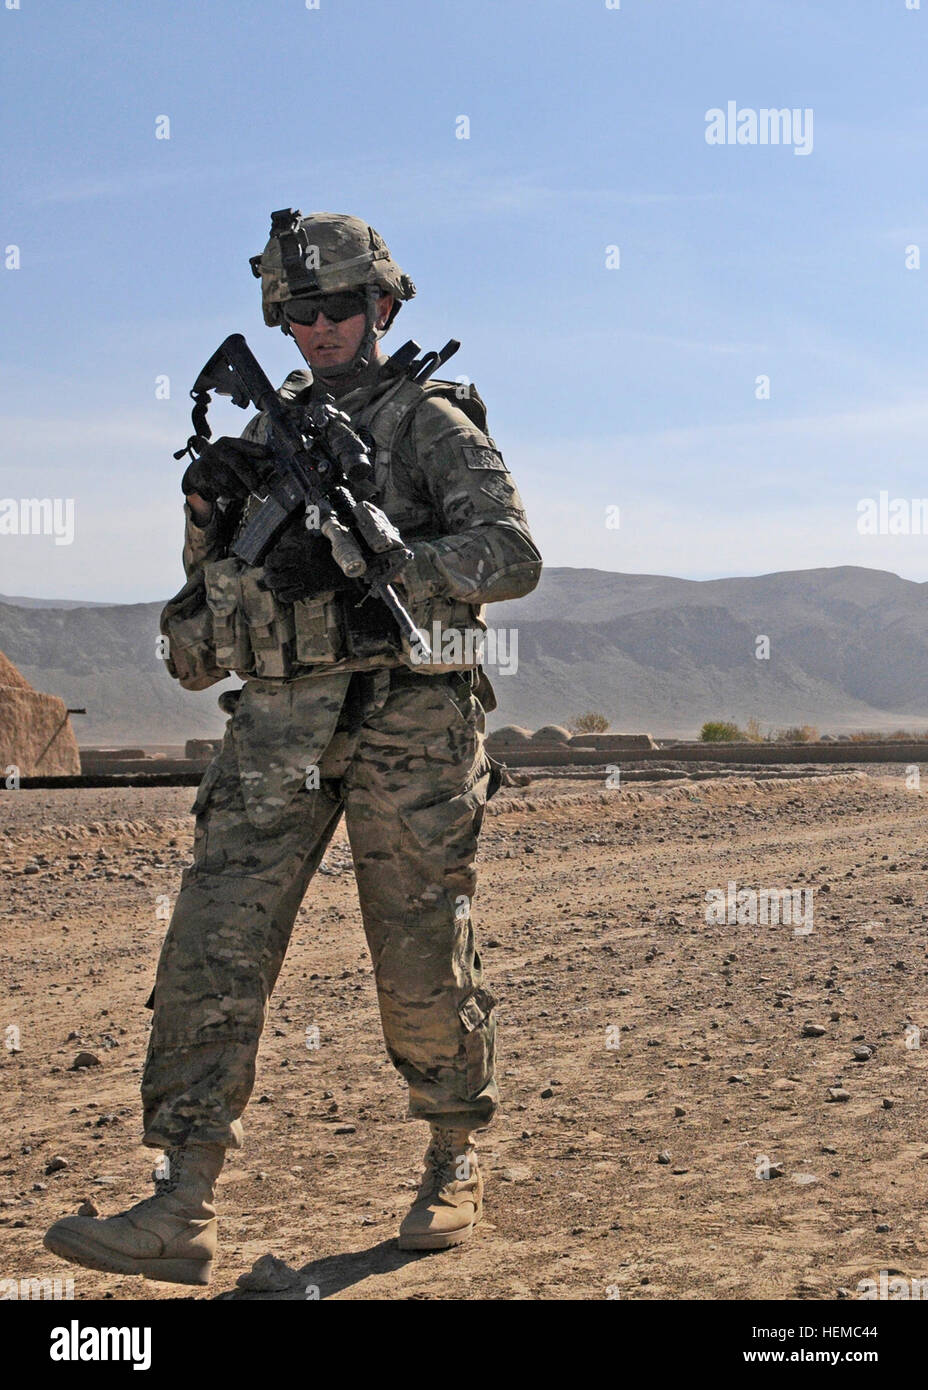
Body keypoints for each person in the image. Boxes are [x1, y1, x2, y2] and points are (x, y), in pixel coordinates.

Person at [44, 209, 543, 1286]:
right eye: (299, 311)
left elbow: (509, 556)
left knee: (416, 954)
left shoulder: (429, 420)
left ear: (383, 307)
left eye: (339, 308)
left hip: (409, 733)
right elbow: (192, 643)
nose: (318, 328)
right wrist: (211, 523)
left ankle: (454, 1152)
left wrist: (384, 560)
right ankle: (184, 1197)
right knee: (211, 952)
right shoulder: (262, 443)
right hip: (273, 736)